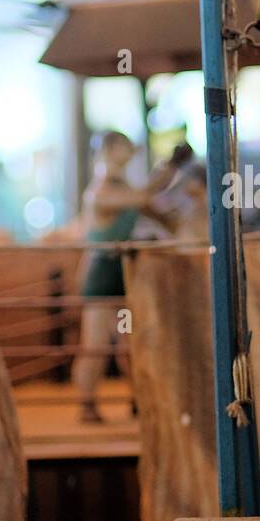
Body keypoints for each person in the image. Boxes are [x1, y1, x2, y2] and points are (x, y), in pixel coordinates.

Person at [72, 132, 182, 422]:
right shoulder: (100, 191)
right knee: (96, 343)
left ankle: (139, 400)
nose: (129, 151)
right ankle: (87, 403)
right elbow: (143, 197)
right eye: (122, 146)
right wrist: (169, 168)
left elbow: (154, 208)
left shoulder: (124, 188)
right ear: (109, 150)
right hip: (102, 271)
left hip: (123, 270)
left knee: (129, 342)